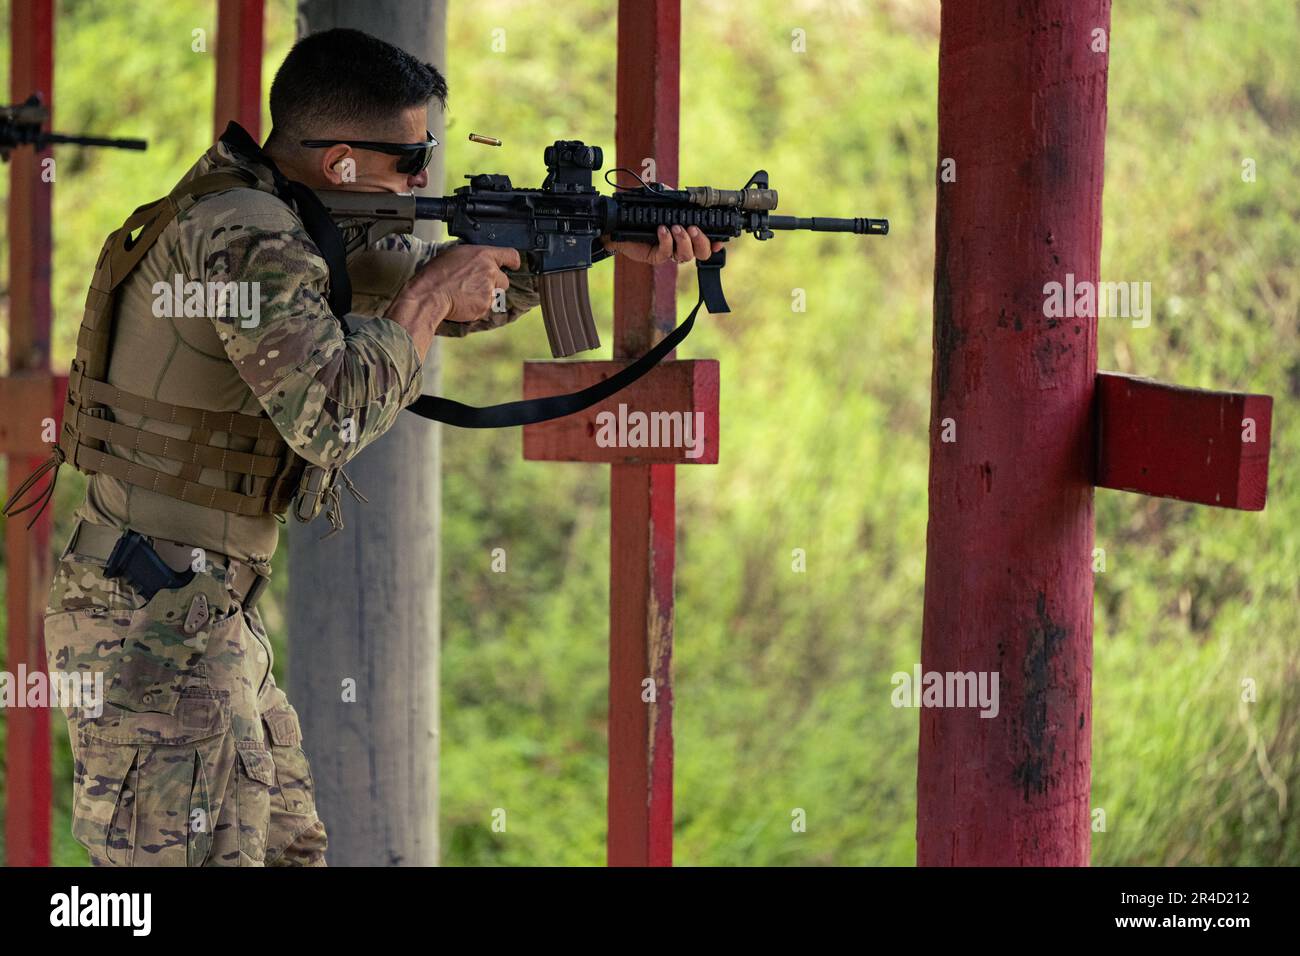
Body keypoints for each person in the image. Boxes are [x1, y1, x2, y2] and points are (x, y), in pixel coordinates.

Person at [36, 27, 720, 867]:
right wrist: (434, 289)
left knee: (290, 852)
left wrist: (595, 243)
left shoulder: (288, 221)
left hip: (197, 612)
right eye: (413, 156)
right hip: (154, 620)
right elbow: (335, 416)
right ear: (342, 161)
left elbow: (447, 298)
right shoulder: (246, 235)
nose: (425, 178)